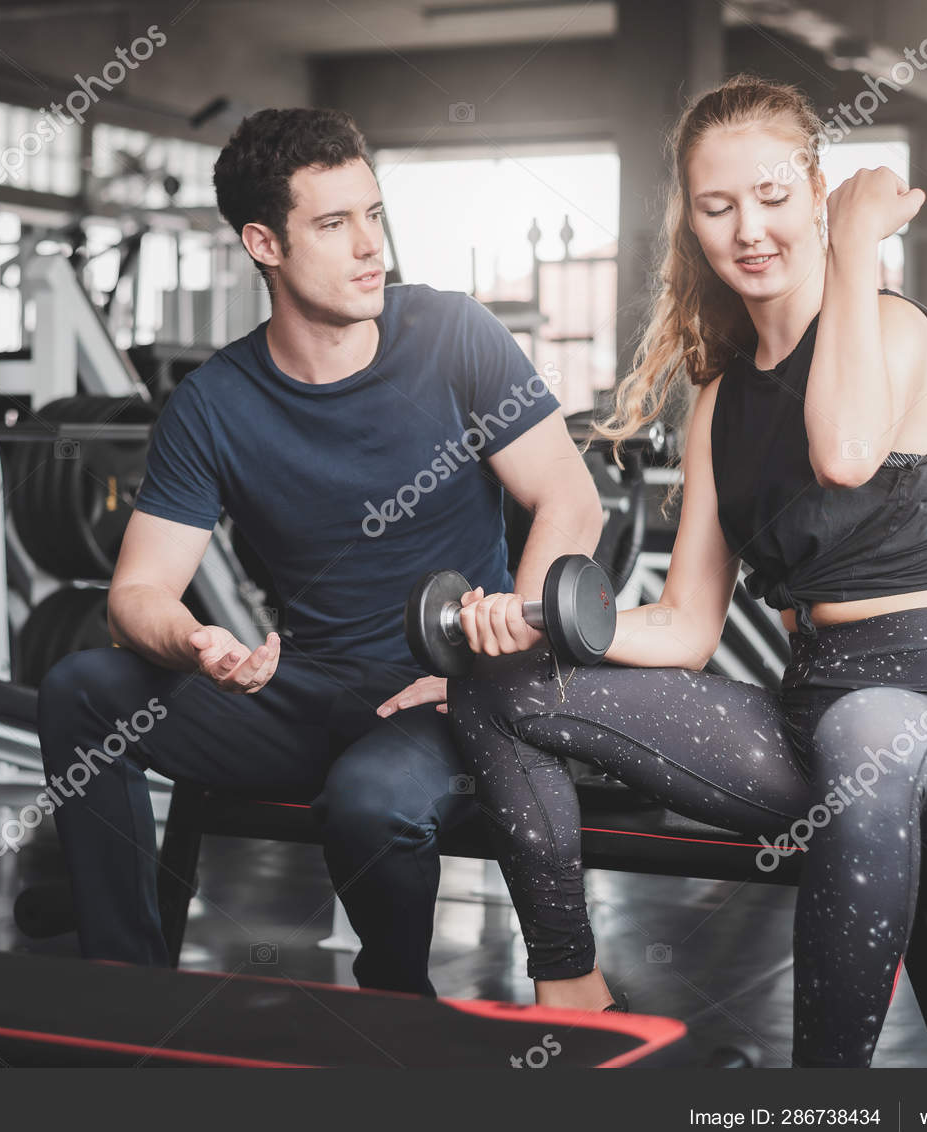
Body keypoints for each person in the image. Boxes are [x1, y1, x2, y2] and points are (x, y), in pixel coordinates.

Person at [445, 75, 927, 1067]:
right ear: (692, 225)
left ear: (814, 191)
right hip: (811, 729)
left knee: (869, 724)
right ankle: (573, 981)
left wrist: (854, 248)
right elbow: (683, 625)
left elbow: (844, 451)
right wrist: (544, 616)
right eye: (718, 208)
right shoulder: (720, 400)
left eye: (771, 197)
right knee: (499, 687)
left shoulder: (893, 329)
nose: (748, 229)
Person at [35, 107, 603, 996]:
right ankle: (126, 996)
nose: (370, 246)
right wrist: (192, 642)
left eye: (373, 215)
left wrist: (495, 666)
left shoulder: (454, 335)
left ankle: (396, 1011)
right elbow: (136, 592)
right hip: (301, 690)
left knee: (369, 805)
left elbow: (569, 499)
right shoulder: (214, 403)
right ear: (264, 243)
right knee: (81, 691)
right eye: (334, 225)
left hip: (447, 695)